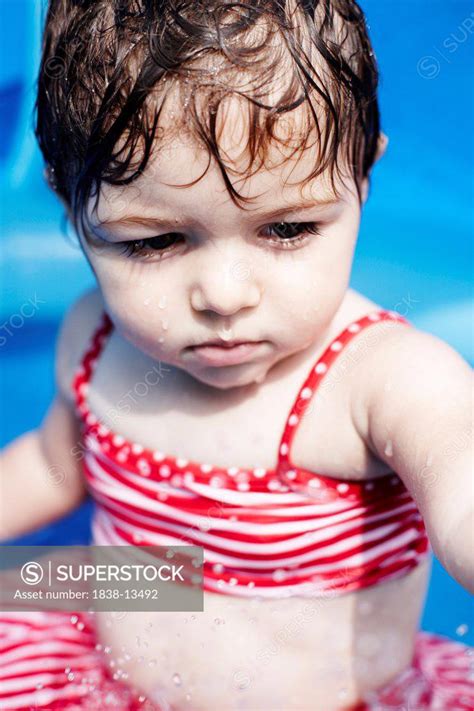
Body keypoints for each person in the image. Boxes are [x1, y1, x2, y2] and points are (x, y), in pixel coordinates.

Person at [0, 1, 472, 709]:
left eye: (287, 228)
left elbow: (461, 479)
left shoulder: (381, 379)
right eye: (152, 242)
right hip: (112, 621)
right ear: (67, 200)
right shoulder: (95, 336)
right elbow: (50, 464)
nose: (224, 296)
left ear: (363, 172)